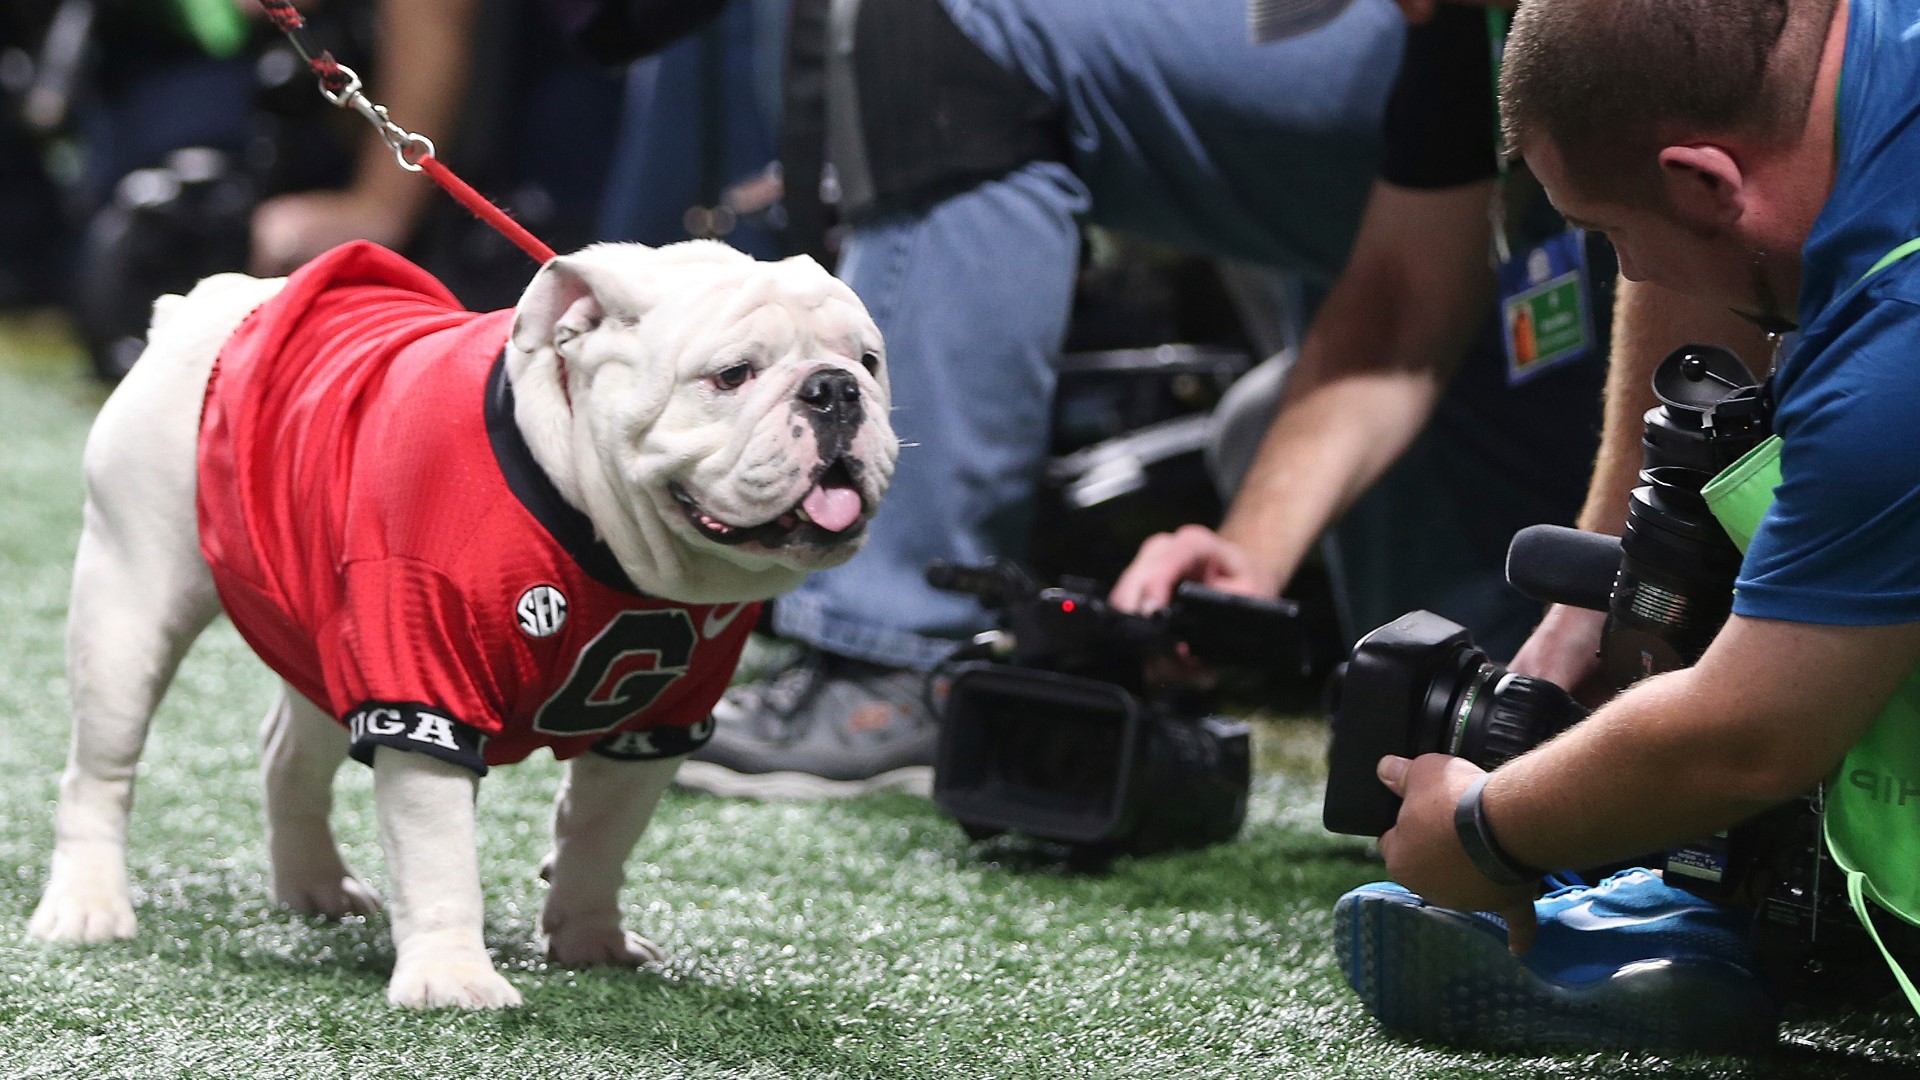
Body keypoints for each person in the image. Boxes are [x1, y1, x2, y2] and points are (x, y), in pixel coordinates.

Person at [1342, 0, 1920, 1049]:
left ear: (1704, 180)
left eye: (1612, 238)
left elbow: (1749, 736)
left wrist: (1484, 829)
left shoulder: (1898, 340)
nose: (1636, 277)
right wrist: (1609, 596)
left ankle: (1782, 911)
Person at [675, 0, 1412, 799]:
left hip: (1508, 169)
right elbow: (1407, 302)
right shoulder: (1465, 81)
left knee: (948, 23)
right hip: (1484, 220)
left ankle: (894, 655)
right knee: (1446, 710)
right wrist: (1252, 555)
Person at [1108, 1, 1607, 663]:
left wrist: (1600, 602)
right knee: (1246, 436)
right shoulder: (1468, 26)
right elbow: (1402, 308)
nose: (1406, 9)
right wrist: (1247, 557)